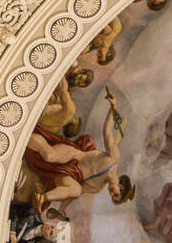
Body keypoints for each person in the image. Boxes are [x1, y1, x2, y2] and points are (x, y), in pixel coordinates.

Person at [21, 88, 134, 216]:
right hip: (73, 157)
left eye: (113, 197)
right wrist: (113, 108)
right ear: (121, 187)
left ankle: (43, 198)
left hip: (69, 175)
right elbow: (107, 131)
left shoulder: (97, 187)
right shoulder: (113, 158)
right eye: (116, 194)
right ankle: (23, 134)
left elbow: (71, 193)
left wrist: (62, 209)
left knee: (77, 190)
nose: (111, 194)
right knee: (49, 155)